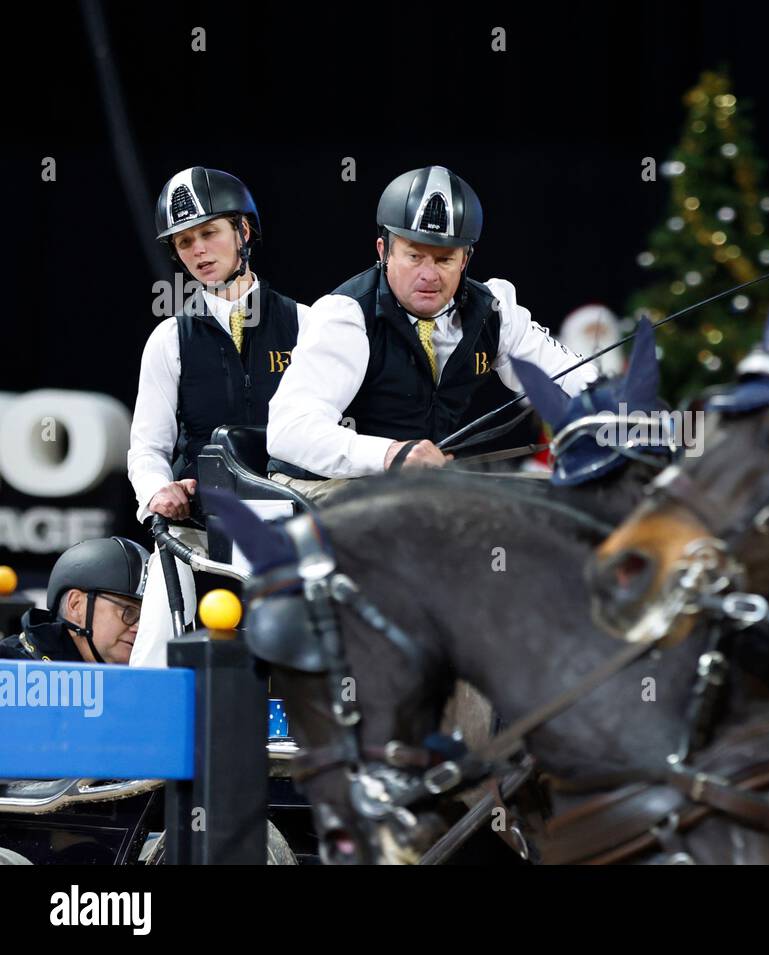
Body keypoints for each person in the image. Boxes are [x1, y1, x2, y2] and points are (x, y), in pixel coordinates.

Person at [266, 166, 598, 500]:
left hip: (413, 492)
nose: (429, 275)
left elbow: (570, 378)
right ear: (383, 251)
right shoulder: (347, 316)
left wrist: (616, 409)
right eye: (414, 256)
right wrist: (390, 455)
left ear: (465, 260)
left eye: (444, 260)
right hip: (317, 488)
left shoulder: (493, 313)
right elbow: (289, 432)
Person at [126, 167, 307, 668]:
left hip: (295, 518)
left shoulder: (309, 325)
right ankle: (148, 723)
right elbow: (147, 448)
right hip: (203, 527)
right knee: (159, 628)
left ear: (243, 233)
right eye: (185, 242)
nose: (199, 251)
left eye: (209, 233)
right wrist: (157, 492)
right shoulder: (169, 339)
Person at [0, 538, 147, 664]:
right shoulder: (9, 671)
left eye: (147, 617)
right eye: (129, 612)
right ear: (75, 605)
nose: (139, 628)